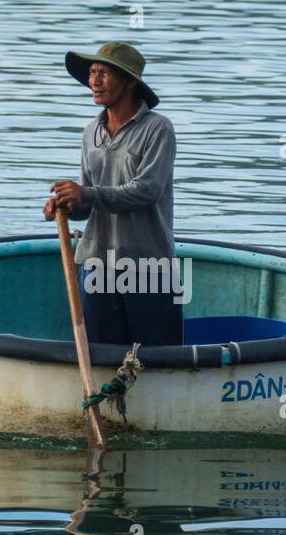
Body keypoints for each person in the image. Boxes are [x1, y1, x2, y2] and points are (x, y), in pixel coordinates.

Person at [43, 41, 183, 346]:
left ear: (130, 81)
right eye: (92, 72)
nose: (94, 80)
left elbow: (146, 191)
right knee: (103, 357)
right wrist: (66, 205)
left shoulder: (158, 129)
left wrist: (86, 194)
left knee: (157, 361)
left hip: (148, 265)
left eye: (104, 73)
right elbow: (89, 204)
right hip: (96, 264)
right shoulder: (90, 132)